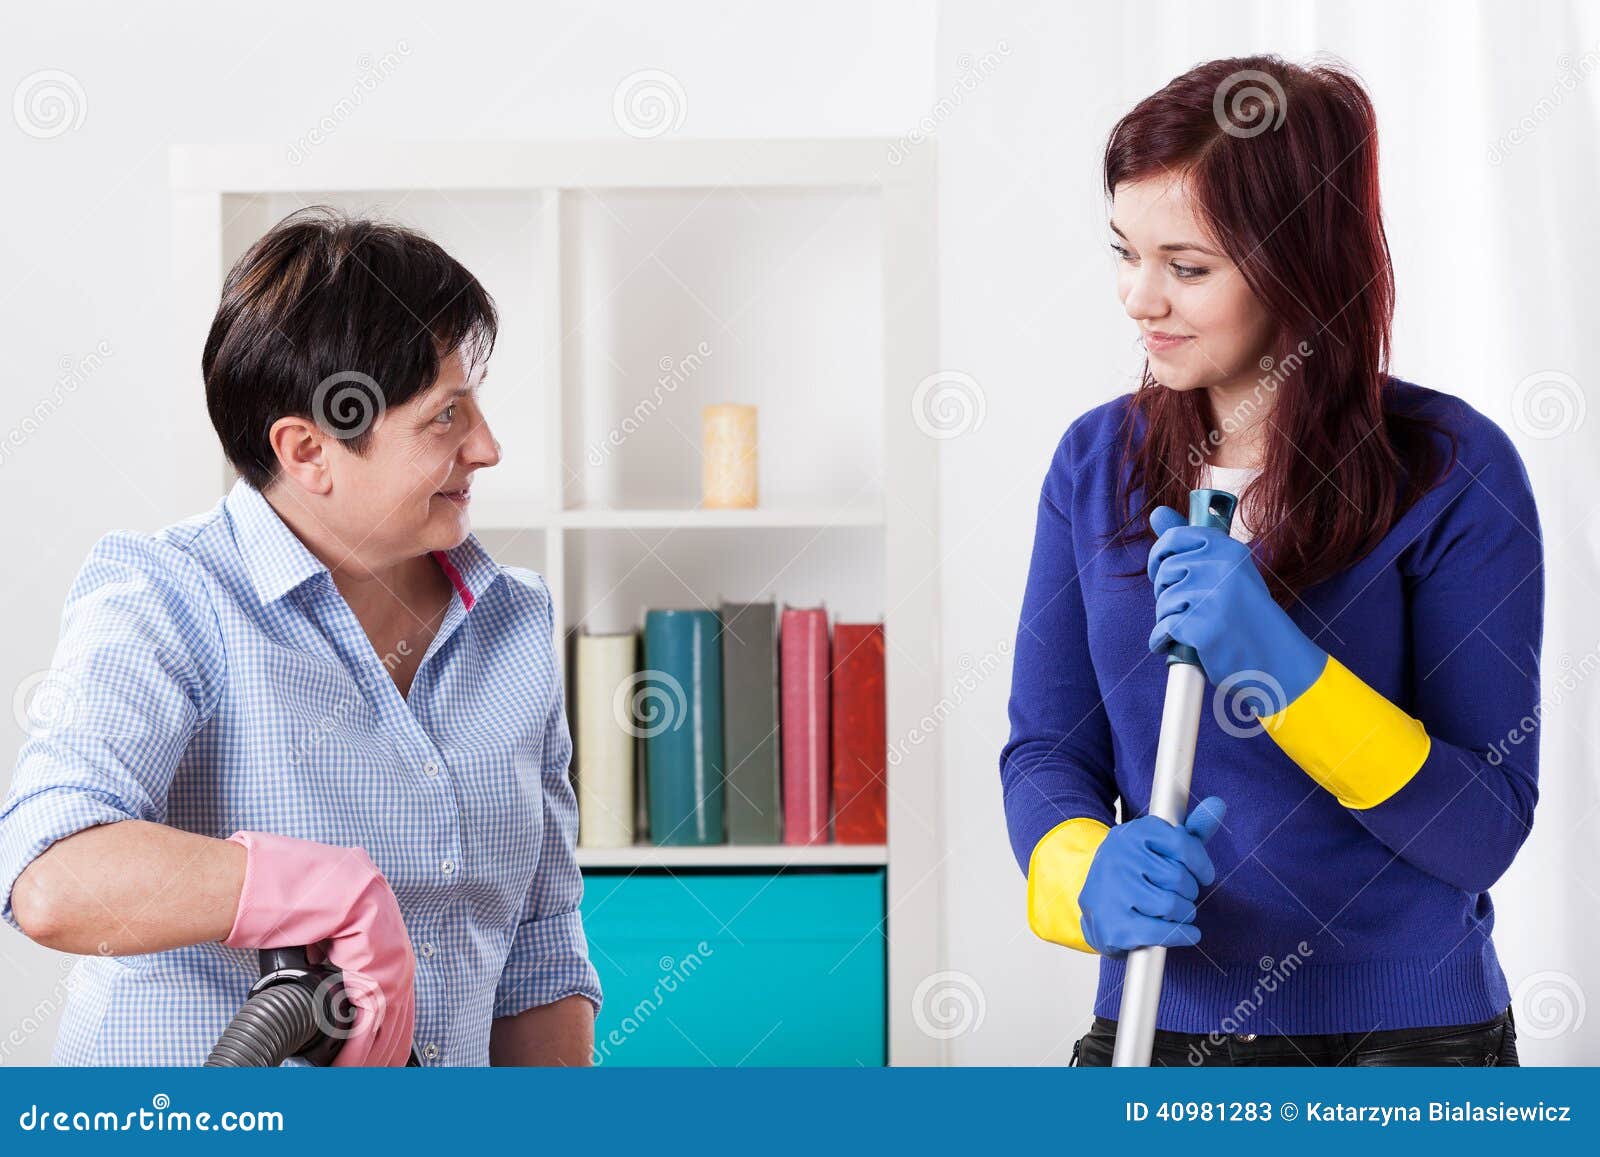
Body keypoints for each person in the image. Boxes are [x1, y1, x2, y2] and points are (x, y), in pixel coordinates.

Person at [1000, 55, 1540, 1066]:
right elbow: (1045, 752)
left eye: (1186, 266)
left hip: (1411, 1047)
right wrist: (1083, 874)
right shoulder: (1094, 463)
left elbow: (1483, 829)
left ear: (1301, 263)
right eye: (1125, 251)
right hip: (1160, 1029)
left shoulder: (1451, 467)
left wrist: (1272, 660)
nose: (1138, 298)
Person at [0, 208, 602, 1066]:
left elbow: (539, 954)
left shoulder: (515, 623)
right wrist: (318, 890)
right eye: (445, 416)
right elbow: (54, 878)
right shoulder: (169, 596)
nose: (489, 447)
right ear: (309, 448)